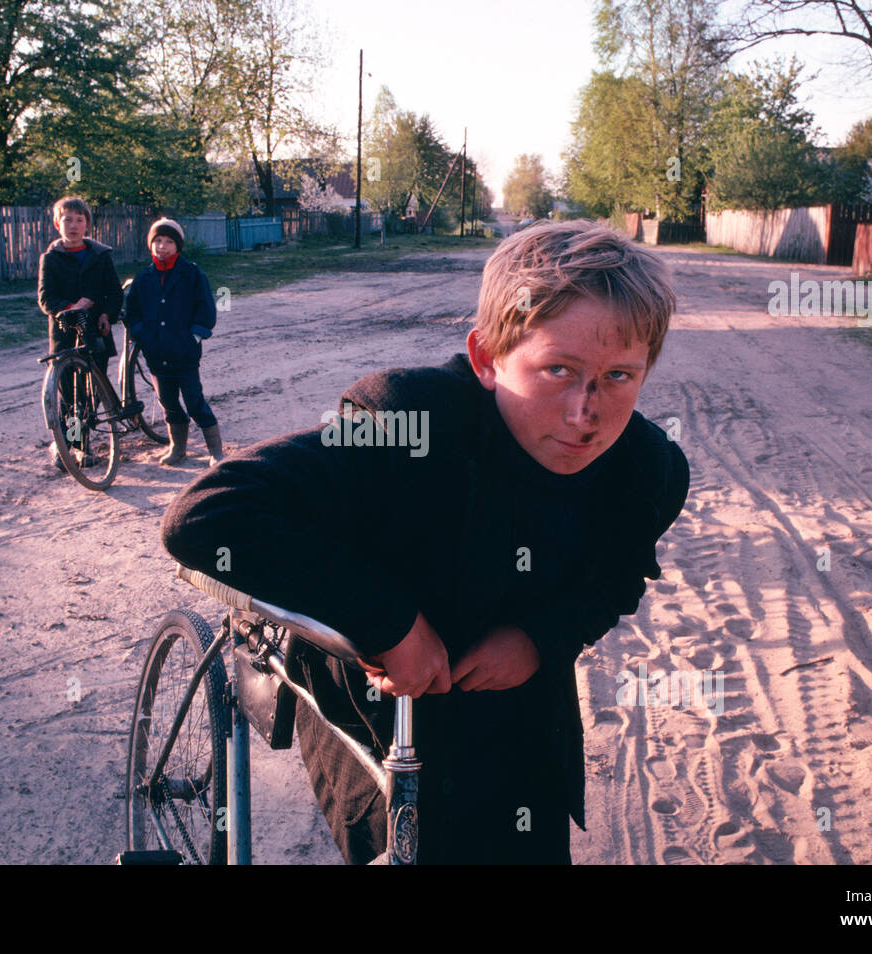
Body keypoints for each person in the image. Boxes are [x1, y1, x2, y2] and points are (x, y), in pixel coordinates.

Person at [160, 220, 690, 864]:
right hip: (368, 699)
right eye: (558, 369)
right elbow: (205, 514)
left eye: (618, 377)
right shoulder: (408, 424)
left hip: (516, 698)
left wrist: (540, 637)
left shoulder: (648, 470)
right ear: (487, 359)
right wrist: (390, 623)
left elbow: (617, 573)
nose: (587, 412)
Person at [122, 218, 223, 466]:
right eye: (157, 241)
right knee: (167, 401)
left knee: (193, 400)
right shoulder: (144, 278)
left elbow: (206, 310)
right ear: (150, 245)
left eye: (168, 242)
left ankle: (216, 450)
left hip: (185, 354)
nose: (162, 247)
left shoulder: (192, 274)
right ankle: (178, 447)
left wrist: (194, 336)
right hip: (156, 355)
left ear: (178, 246)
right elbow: (131, 311)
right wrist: (140, 333)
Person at [37, 196, 123, 471]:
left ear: (87, 224)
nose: (73, 225)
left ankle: (84, 445)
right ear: (56, 223)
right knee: (70, 394)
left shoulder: (100, 255)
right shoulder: (50, 258)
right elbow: (45, 298)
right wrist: (70, 307)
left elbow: (114, 292)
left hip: (95, 330)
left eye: (79, 220)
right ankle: (73, 447)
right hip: (64, 332)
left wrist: (106, 314)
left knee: (91, 390)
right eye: (67, 220)